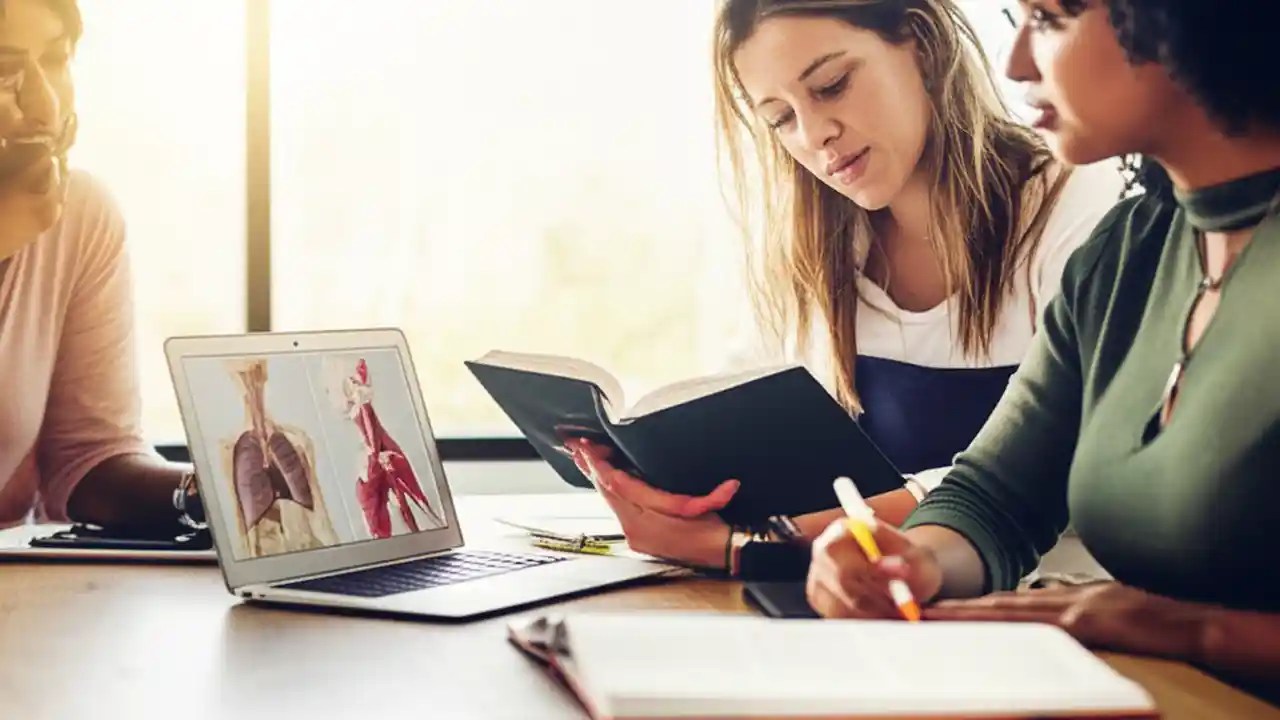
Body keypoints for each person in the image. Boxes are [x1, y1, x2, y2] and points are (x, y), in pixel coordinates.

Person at [805, 0, 1280, 698]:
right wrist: (912, 562)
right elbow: (996, 497)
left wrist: (1190, 630)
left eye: (1050, 17)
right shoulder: (1127, 252)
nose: (1015, 62)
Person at [570, 0, 1122, 571]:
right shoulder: (807, 250)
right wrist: (667, 488)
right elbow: (753, 448)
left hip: (1046, 597)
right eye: (780, 119)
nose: (815, 135)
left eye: (832, 86)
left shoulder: (1077, 206)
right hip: (856, 594)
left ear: (923, 45)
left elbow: (1036, 475)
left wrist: (753, 544)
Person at [0, 0, 202, 536]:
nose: (43, 105)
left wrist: (211, 493)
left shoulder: (79, 217)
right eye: (4, 71)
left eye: (57, 59)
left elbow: (88, 458)